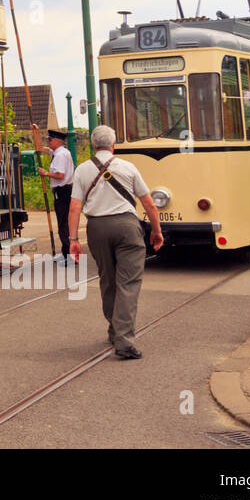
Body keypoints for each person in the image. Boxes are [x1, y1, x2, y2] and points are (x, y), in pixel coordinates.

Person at [67, 125, 164, 360]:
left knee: (108, 280)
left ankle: (115, 329)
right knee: (128, 284)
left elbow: (74, 207)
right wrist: (157, 231)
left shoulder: (82, 170)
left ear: (92, 145)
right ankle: (124, 341)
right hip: (126, 227)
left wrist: (73, 239)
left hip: (97, 229)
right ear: (114, 145)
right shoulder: (127, 167)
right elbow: (149, 203)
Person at [36, 127, 74, 259]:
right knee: (66, 224)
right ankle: (68, 252)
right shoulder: (61, 152)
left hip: (62, 192)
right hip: (67, 191)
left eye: (50, 139)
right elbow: (40, 148)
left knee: (63, 225)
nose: (49, 142)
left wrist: (45, 173)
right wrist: (36, 132)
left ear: (57, 141)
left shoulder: (59, 155)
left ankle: (69, 255)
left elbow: (60, 175)